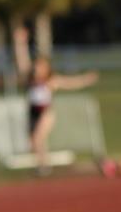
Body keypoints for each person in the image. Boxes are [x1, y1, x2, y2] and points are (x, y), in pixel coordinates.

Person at [12, 24, 98, 174]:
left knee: (38, 137)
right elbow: (22, 60)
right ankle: (42, 164)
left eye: (41, 66)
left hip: (46, 112)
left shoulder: (51, 80)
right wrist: (20, 43)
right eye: (37, 66)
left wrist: (86, 79)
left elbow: (71, 83)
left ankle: (43, 168)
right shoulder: (29, 79)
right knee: (33, 142)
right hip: (32, 112)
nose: (38, 69)